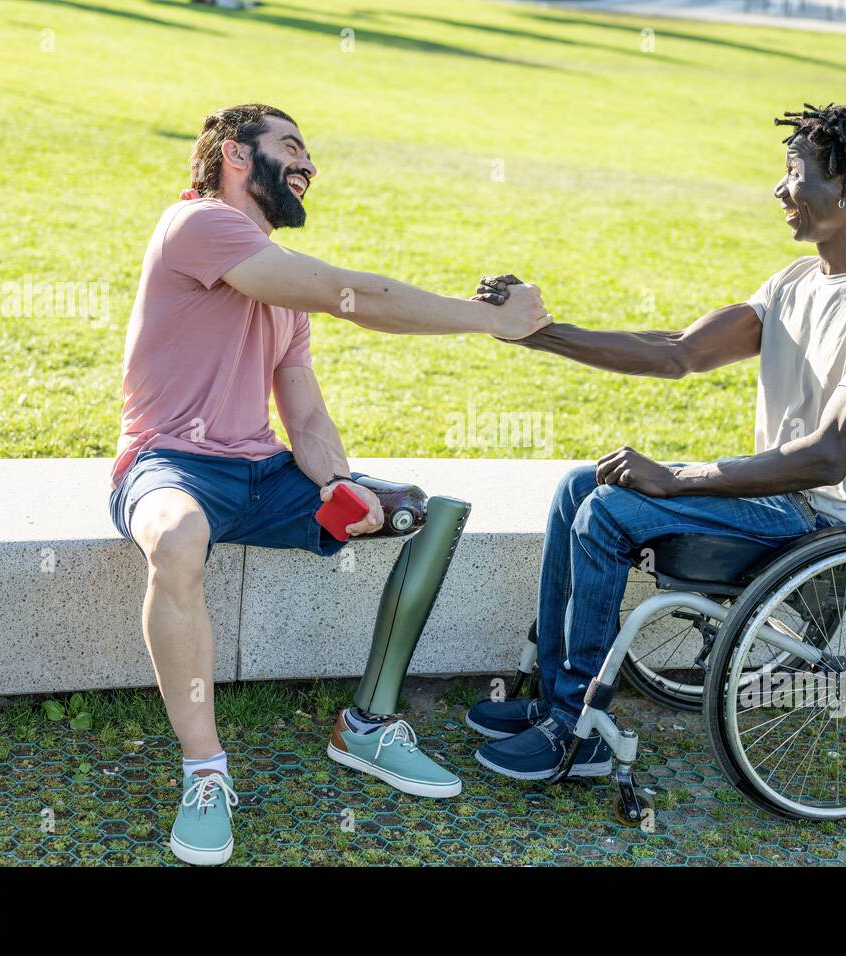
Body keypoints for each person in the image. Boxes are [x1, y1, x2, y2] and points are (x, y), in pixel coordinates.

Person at [108, 103, 549, 864]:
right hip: (170, 465)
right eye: (291, 148)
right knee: (177, 538)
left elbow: (304, 416)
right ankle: (205, 772)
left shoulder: (280, 297)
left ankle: (369, 727)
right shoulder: (199, 225)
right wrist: (486, 319)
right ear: (235, 157)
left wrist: (343, 487)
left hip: (264, 473)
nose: (308, 165)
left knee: (419, 514)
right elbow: (356, 293)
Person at [465, 104, 846, 781]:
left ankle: (579, 731)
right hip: (779, 500)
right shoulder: (797, 282)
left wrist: (679, 479)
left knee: (606, 511)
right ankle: (552, 698)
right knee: (581, 485)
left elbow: (829, 455)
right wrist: (537, 331)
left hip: (822, 520)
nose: (780, 190)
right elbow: (678, 352)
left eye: (794, 174)